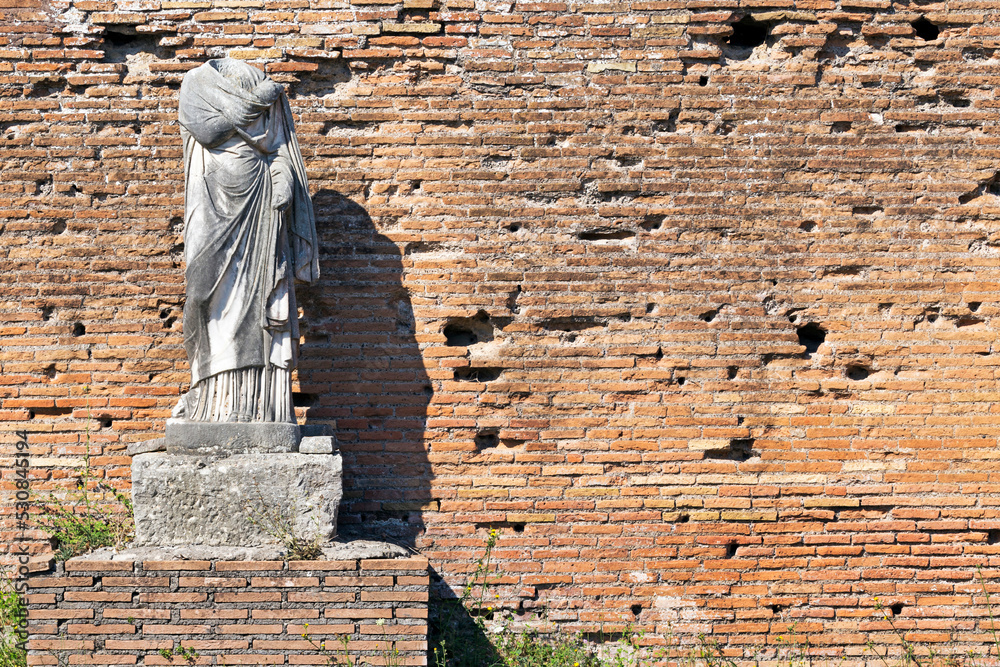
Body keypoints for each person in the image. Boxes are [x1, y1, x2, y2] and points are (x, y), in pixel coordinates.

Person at [171, 58, 318, 423]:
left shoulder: (271, 102)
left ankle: (260, 405)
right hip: (209, 202)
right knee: (201, 296)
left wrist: (283, 184)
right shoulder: (196, 84)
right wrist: (258, 98)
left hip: (260, 201)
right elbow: (209, 132)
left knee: (260, 299)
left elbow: (281, 151)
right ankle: (206, 392)